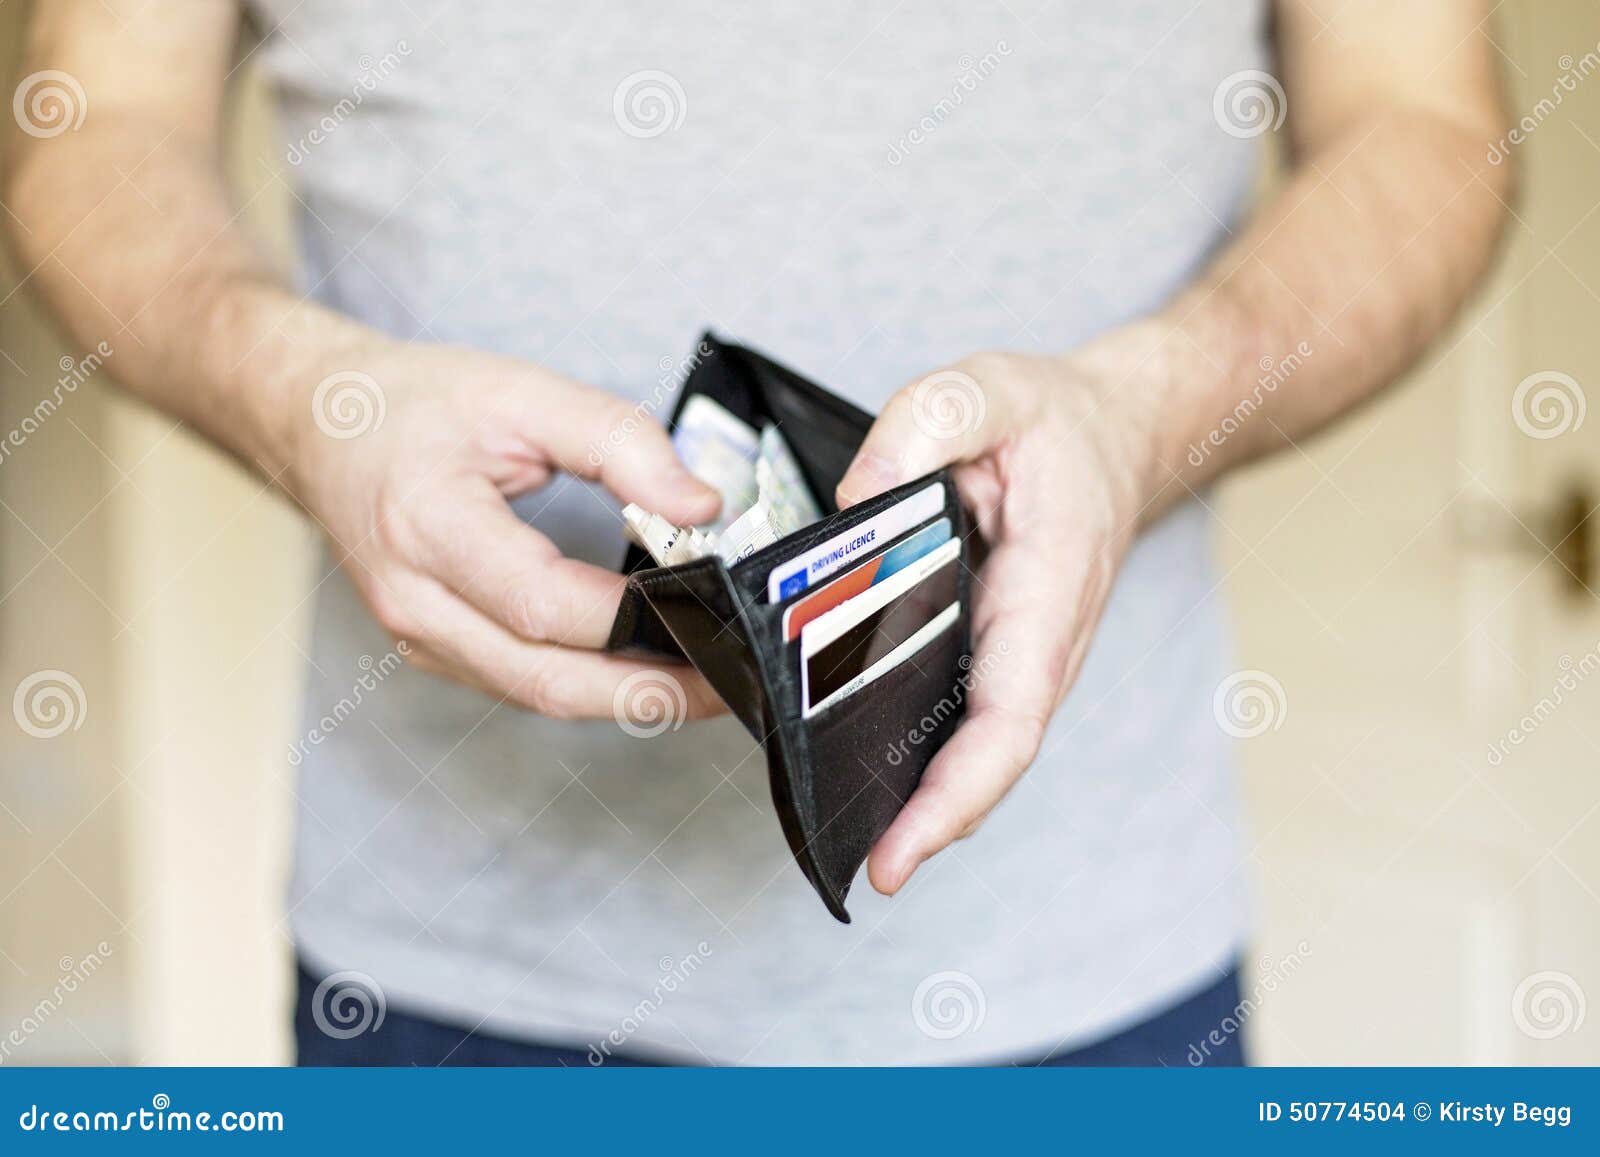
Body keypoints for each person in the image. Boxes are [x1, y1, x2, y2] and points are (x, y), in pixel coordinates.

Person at [4, 0, 1510, 1065]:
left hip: (1076, 974)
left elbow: (1428, 123)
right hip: (439, 984)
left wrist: (1147, 410)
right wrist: (305, 394)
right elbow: (92, 120)